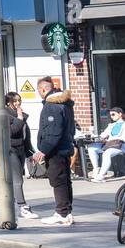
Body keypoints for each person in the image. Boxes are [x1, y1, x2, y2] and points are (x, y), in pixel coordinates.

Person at [31, 76, 75, 226]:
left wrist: (43, 150)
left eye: (38, 90)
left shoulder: (51, 106)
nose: (39, 93)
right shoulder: (65, 104)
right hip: (65, 148)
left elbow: (53, 131)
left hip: (56, 151)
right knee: (65, 181)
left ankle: (61, 213)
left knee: (58, 182)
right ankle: (67, 212)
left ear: (43, 89)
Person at [3, 91, 38, 226]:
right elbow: (11, 132)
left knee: (15, 180)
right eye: (15, 101)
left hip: (21, 149)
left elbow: (25, 135)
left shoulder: (21, 115)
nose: (18, 103)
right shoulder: (5, 115)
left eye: (19, 101)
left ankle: (12, 205)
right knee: (18, 180)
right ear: (8, 102)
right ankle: (23, 206)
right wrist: (19, 118)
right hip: (10, 150)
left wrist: (30, 153)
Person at [87, 106, 125, 183]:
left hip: (121, 145)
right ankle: (96, 169)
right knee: (91, 148)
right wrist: (94, 135)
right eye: (110, 115)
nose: (111, 117)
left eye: (113, 114)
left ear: (120, 114)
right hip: (110, 145)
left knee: (107, 153)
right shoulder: (111, 125)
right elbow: (103, 135)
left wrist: (109, 140)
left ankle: (101, 175)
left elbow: (124, 137)